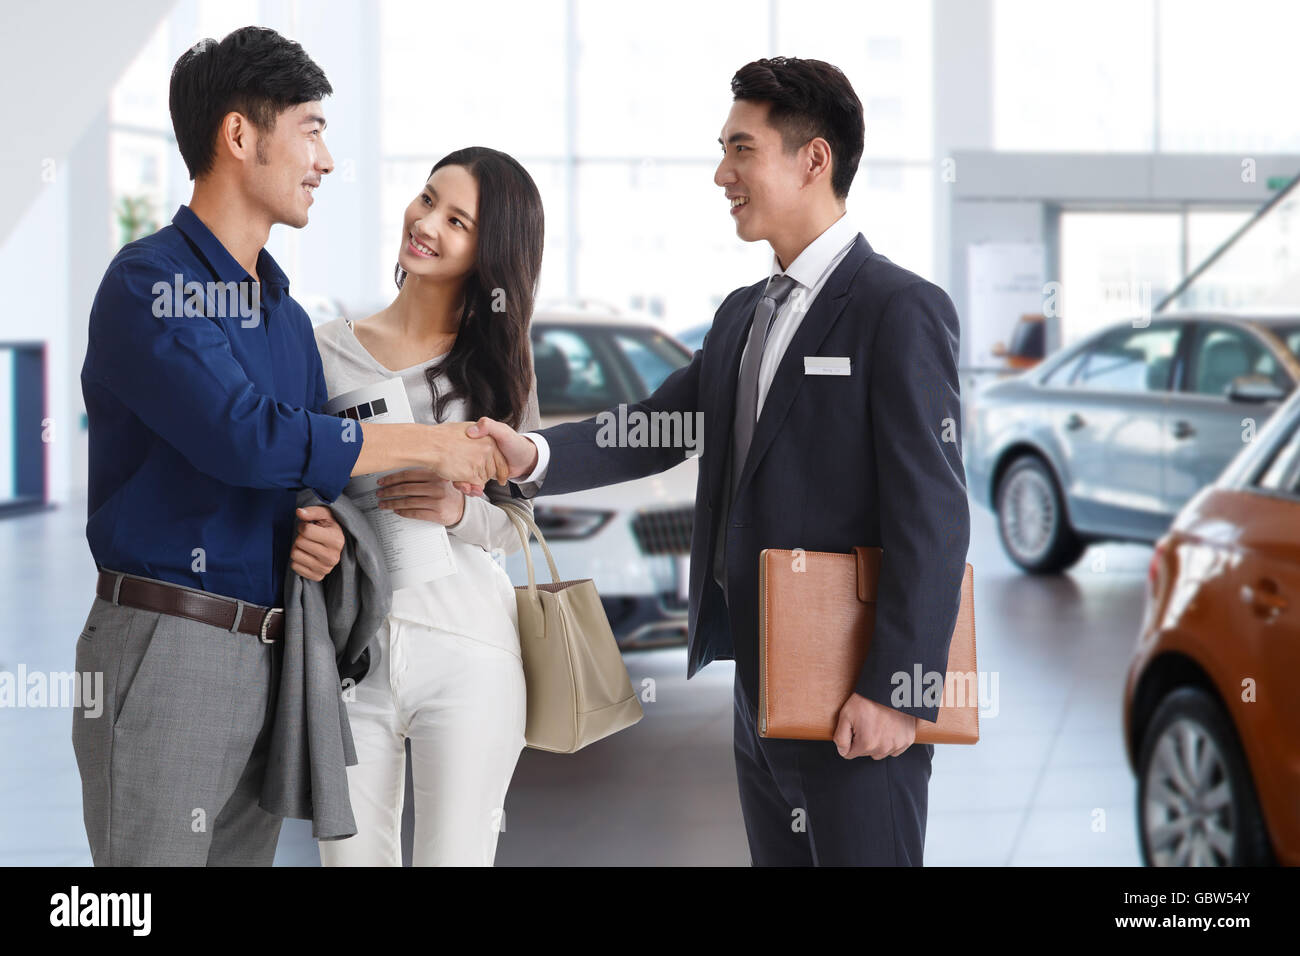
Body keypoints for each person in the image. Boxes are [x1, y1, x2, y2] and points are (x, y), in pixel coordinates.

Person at [468, 56, 971, 866]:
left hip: (854, 682)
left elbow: (935, 516)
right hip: (758, 678)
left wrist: (896, 691)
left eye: (742, 150)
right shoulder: (744, 313)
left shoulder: (898, 308)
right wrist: (533, 453)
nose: (721, 174)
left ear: (814, 161)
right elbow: (662, 425)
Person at [74, 27, 506, 867]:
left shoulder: (282, 316)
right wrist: (427, 444)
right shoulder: (149, 285)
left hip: (274, 653)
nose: (327, 160)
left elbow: (305, 482)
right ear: (240, 136)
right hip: (169, 645)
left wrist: (323, 529)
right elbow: (246, 439)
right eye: (311, 129)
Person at [312, 147, 543, 866]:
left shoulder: (500, 365)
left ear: (489, 250)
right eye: (425, 198)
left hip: (469, 649)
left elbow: (517, 525)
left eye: (457, 220)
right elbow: (293, 481)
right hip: (352, 655)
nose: (426, 223)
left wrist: (456, 512)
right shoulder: (324, 351)